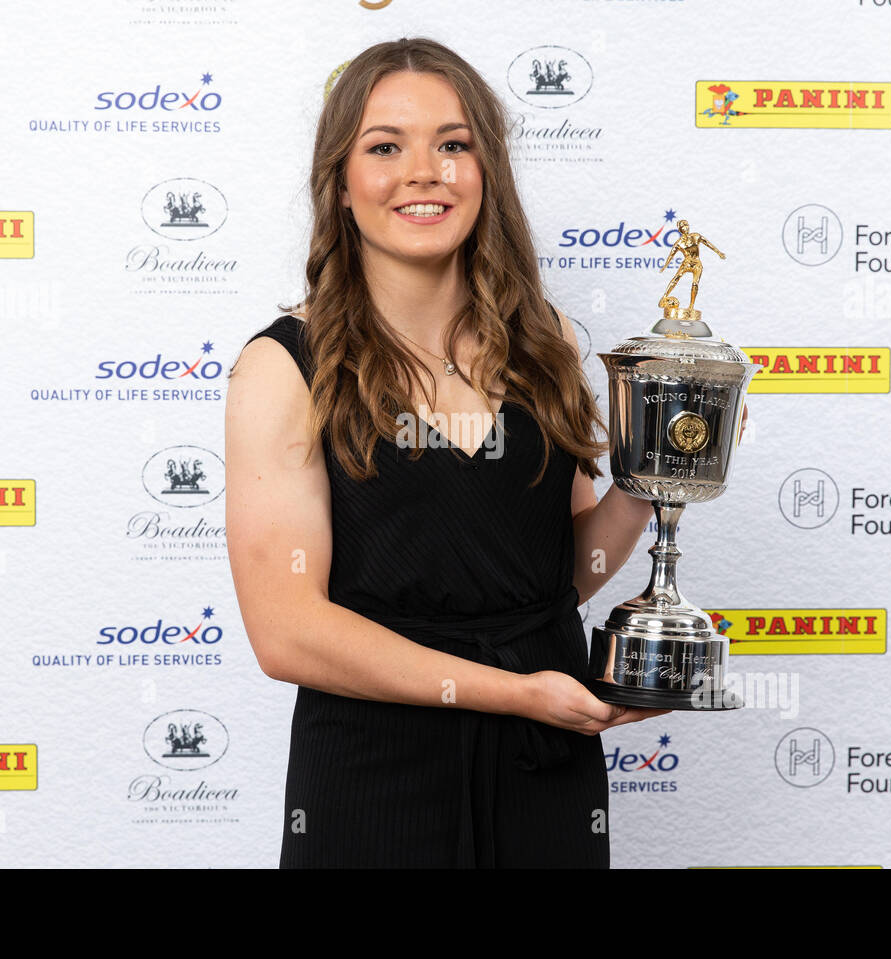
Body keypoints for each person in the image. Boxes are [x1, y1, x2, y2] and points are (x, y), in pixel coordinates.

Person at [226, 37, 699, 869]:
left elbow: (561, 568)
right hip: (376, 782)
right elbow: (286, 632)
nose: (425, 171)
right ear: (341, 183)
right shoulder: (287, 366)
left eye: (454, 144)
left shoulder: (541, 343)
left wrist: (658, 472)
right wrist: (516, 692)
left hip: (543, 775)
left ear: (486, 173)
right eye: (385, 147)